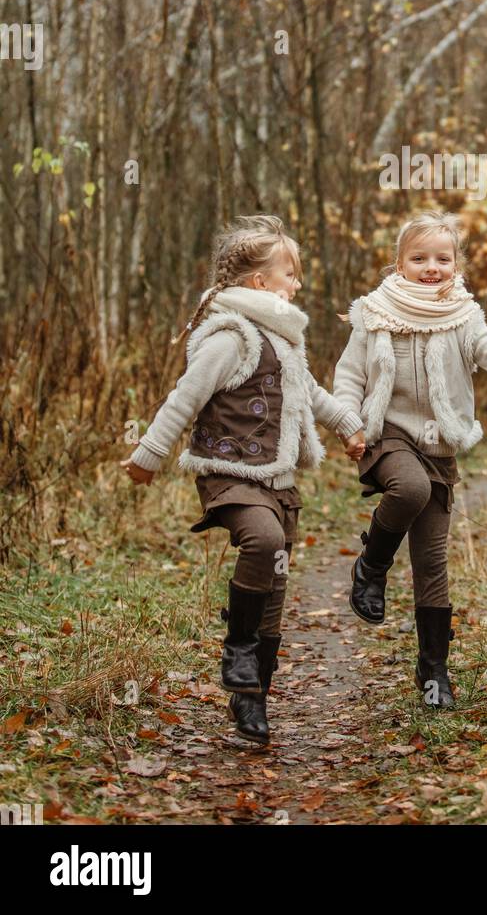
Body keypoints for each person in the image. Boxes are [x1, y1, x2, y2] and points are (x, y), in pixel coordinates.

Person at [121, 214, 365, 743]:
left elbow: (311, 394)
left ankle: (252, 699)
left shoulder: (283, 339)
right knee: (264, 539)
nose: (297, 285)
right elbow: (185, 396)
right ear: (260, 283)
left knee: (274, 583)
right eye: (291, 275)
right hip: (229, 473)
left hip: (276, 479)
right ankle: (237, 648)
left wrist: (347, 425)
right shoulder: (232, 337)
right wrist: (149, 452)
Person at [333, 209, 487, 709]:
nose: (432, 267)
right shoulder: (374, 313)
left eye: (443, 259)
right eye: (419, 258)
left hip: (440, 447)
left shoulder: (464, 319)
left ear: (456, 263)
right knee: (410, 488)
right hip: (387, 437)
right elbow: (349, 376)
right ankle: (373, 564)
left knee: (432, 562)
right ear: (398, 263)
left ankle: (433, 675)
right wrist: (348, 421)